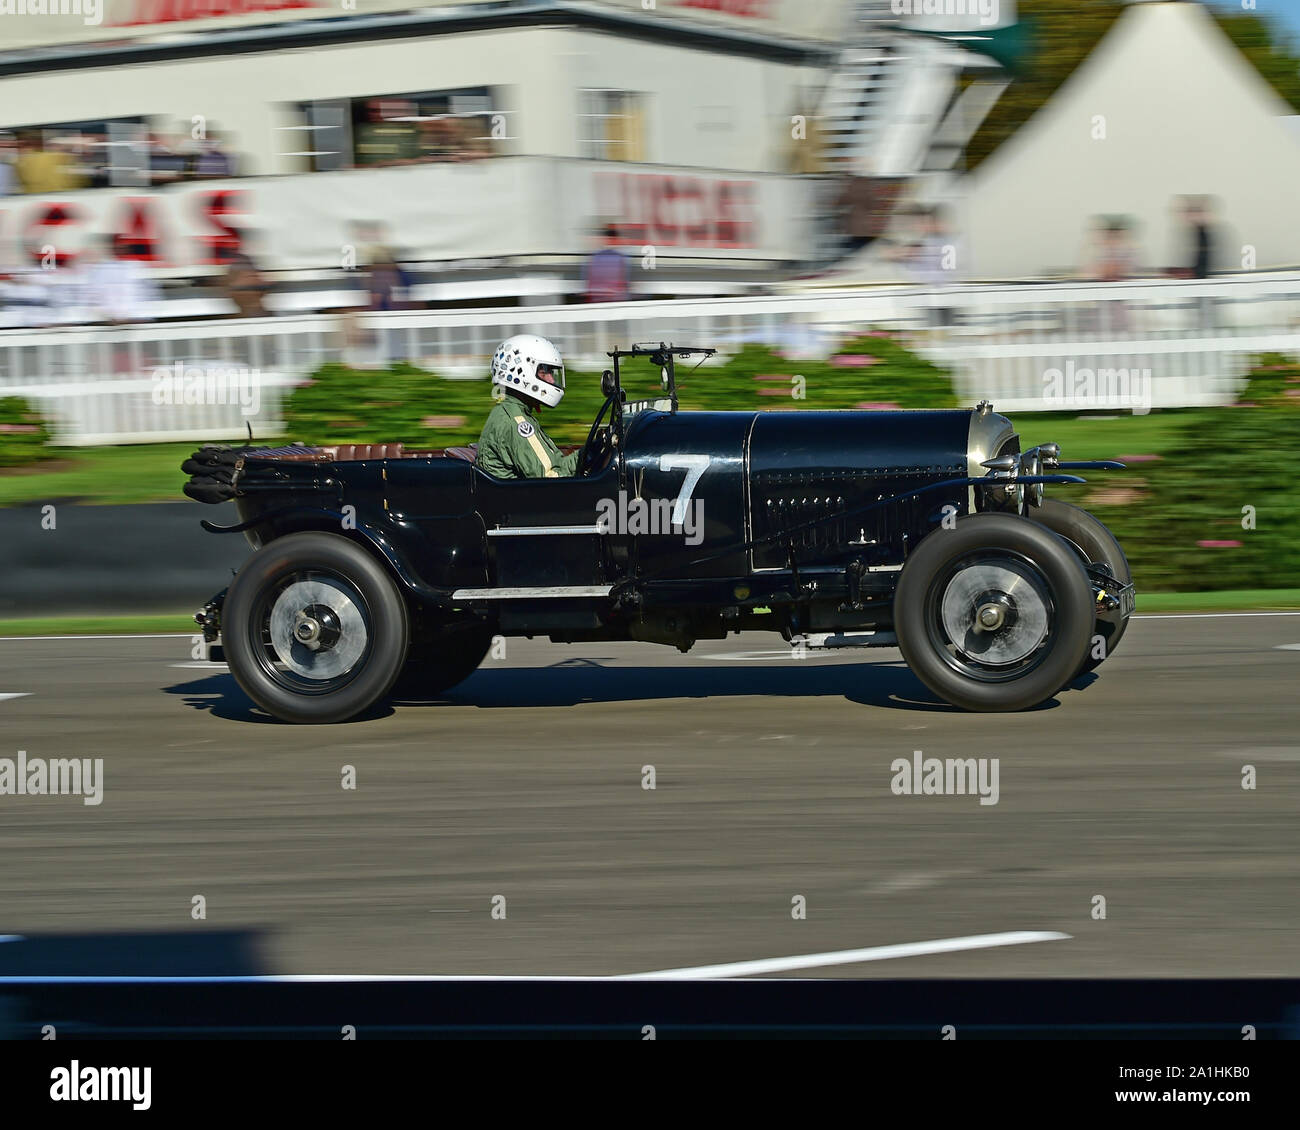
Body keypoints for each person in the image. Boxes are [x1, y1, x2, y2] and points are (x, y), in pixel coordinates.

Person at [477, 335, 579, 479]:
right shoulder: (515, 421)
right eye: (544, 371)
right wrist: (586, 456)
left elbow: (555, 464)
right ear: (523, 373)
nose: (551, 379)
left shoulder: (513, 412)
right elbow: (550, 478)